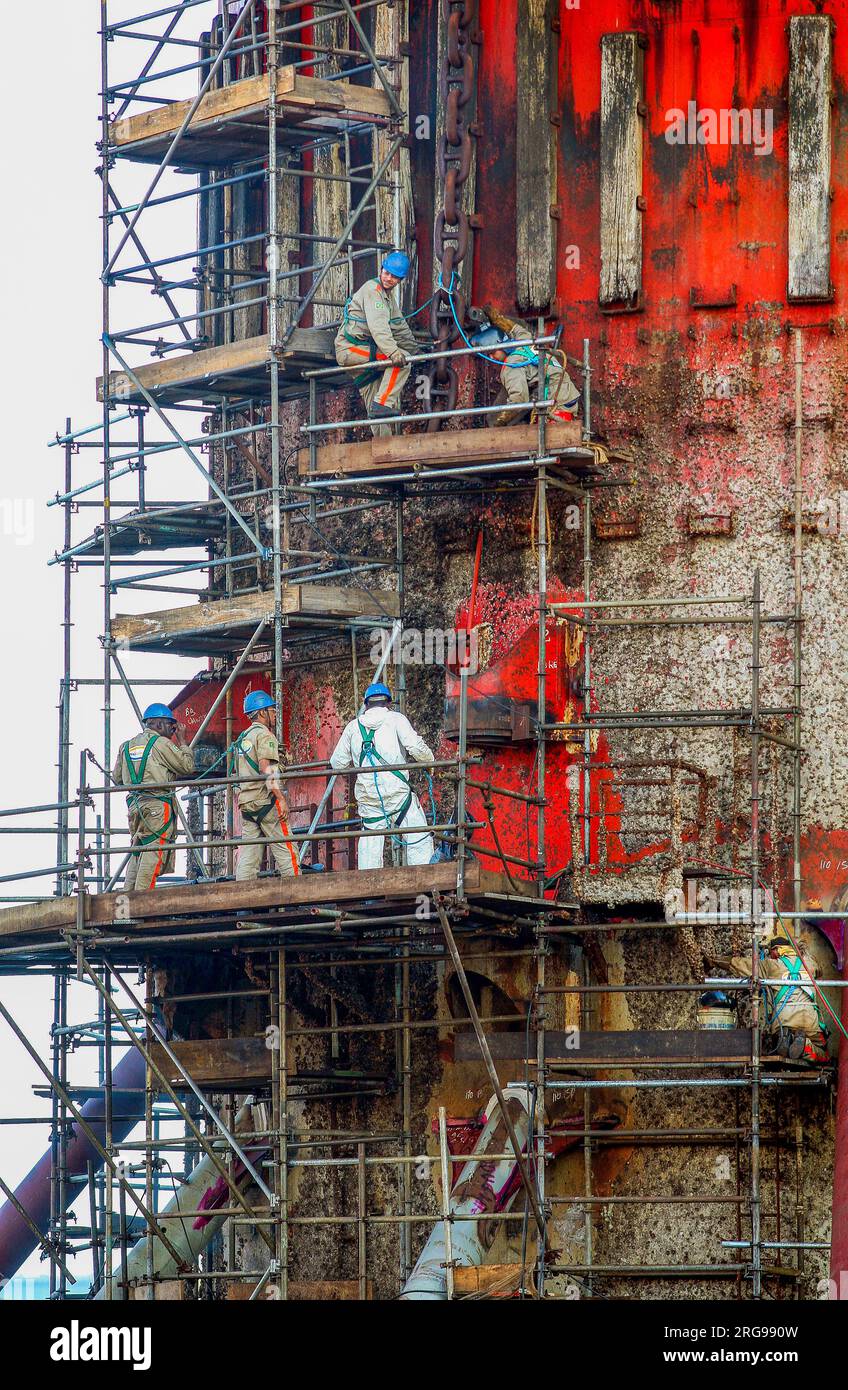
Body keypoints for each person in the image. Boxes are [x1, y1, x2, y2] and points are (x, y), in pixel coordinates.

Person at [329, 683, 435, 869]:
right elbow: (416, 747)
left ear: (366, 704)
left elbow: (337, 763)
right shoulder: (396, 719)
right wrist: (430, 762)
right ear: (388, 703)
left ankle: (370, 891)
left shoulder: (353, 728)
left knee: (370, 843)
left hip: (370, 799)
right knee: (418, 834)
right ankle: (425, 881)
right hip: (398, 795)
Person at [713, 930, 832, 1063]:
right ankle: (803, 1045)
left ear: (777, 950)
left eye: (771, 952)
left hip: (784, 1020)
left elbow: (740, 964)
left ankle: (789, 1041)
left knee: (783, 1043)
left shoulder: (771, 965)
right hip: (810, 1019)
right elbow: (819, 971)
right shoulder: (810, 964)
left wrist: (714, 960)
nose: (770, 955)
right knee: (823, 1051)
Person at [334, 251, 419, 436]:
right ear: (381, 270)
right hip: (350, 349)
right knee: (402, 361)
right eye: (387, 273)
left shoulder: (388, 299)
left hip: (362, 353)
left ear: (400, 280)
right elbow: (379, 327)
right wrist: (395, 353)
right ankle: (384, 404)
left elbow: (399, 327)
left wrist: (416, 349)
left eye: (394, 276)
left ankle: (385, 447)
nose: (389, 278)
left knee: (375, 407)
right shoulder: (373, 291)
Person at [113, 702, 195, 891]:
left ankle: (128, 893)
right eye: (169, 725)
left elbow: (117, 779)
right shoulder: (161, 744)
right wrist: (182, 743)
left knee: (138, 850)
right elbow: (187, 766)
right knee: (153, 851)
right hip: (157, 805)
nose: (172, 730)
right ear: (158, 724)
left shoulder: (126, 746)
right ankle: (142, 900)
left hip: (135, 806)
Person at [235, 690, 299, 881]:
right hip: (266, 801)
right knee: (287, 849)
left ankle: (242, 903)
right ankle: (297, 893)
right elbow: (266, 768)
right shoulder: (264, 735)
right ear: (261, 712)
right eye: (271, 711)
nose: (274, 715)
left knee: (248, 856)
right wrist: (281, 798)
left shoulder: (243, 738)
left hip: (246, 802)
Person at [470, 320, 581, 427]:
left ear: (501, 345)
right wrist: (499, 319)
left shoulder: (511, 364)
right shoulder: (524, 340)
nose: (491, 357)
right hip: (568, 393)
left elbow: (519, 399)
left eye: (492, 352)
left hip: (555, 401)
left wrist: (502, 420)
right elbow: (516, 329)